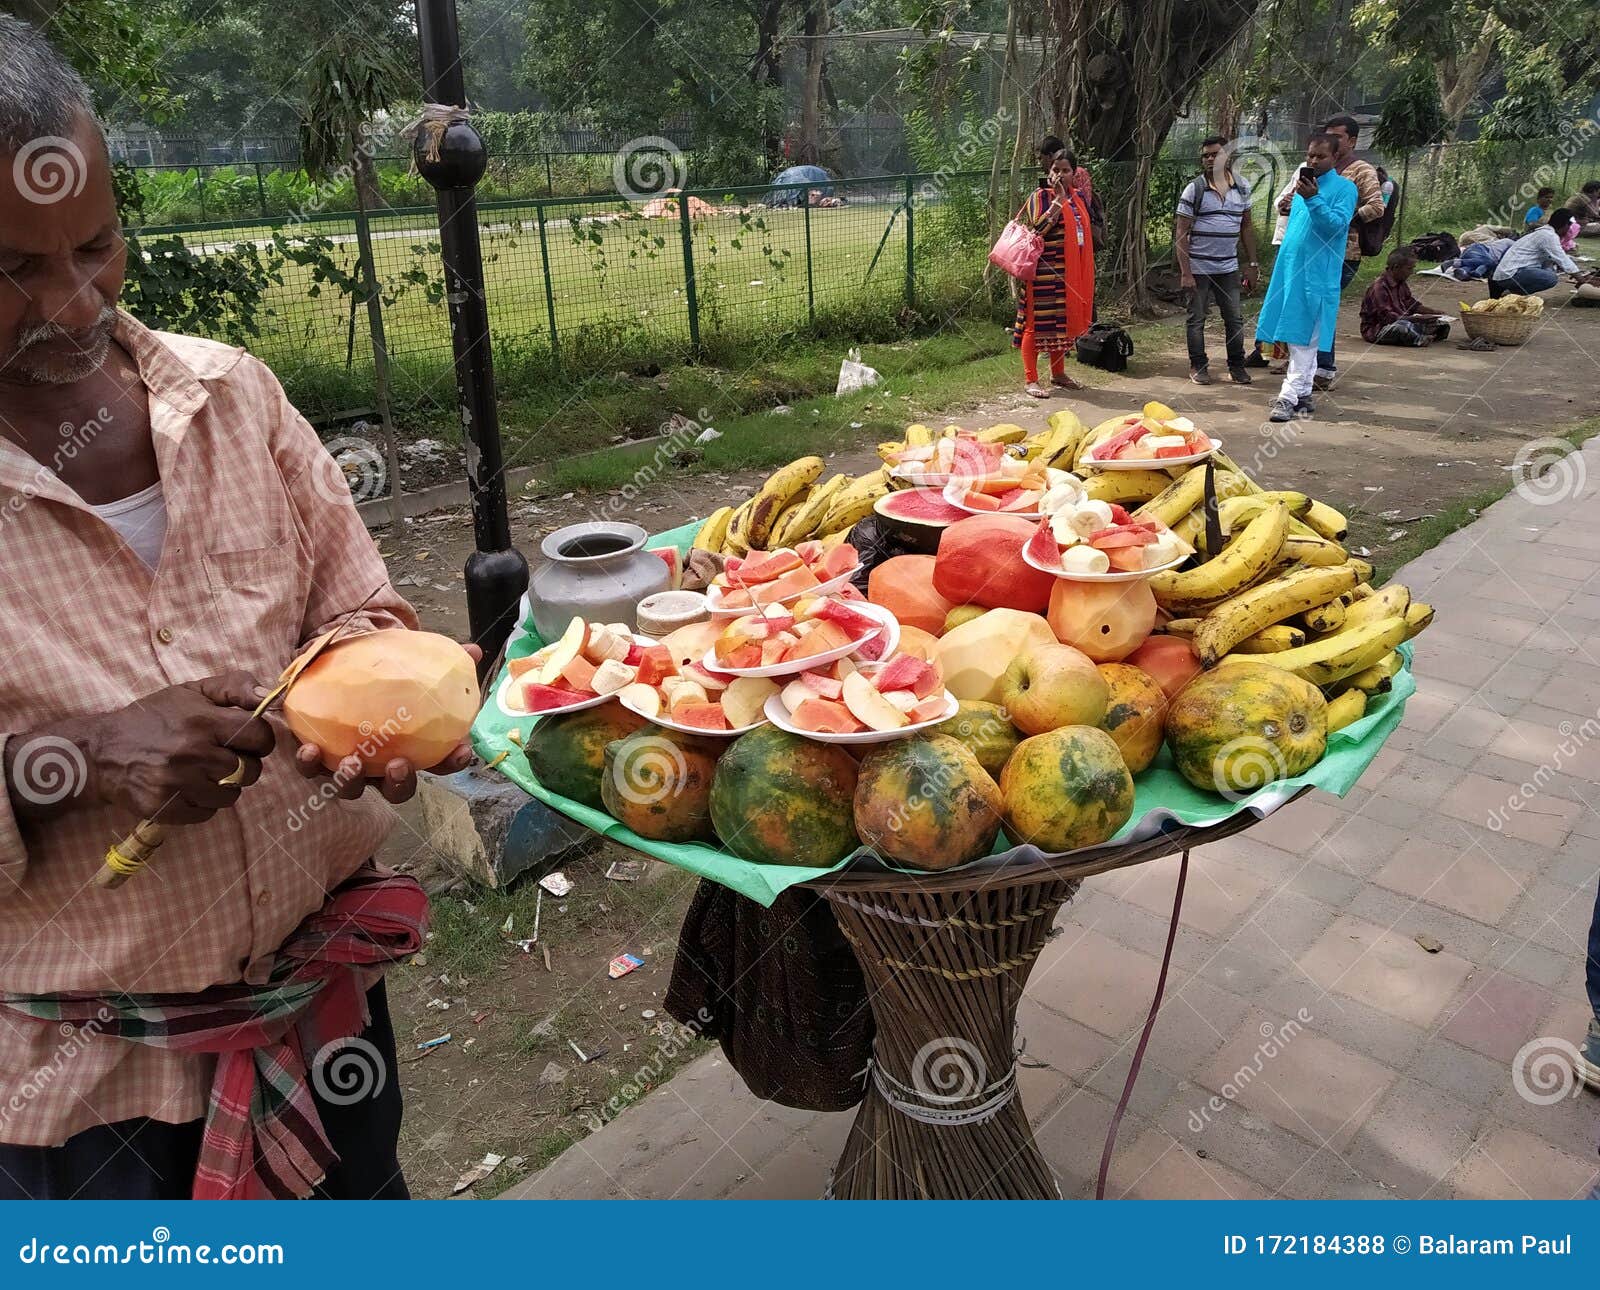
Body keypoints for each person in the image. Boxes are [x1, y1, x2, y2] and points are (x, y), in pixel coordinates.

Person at [0, 16, 477, 1200]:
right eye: (11, 269)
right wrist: (77, 758)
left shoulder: (233, 399)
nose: (72, 303)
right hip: (90, 1103)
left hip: (325, 1027)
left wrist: (371, 707)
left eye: (97, 246)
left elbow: (357, 605)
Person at [1255, 134, 1357, 423]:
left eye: (1320, 157)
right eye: (1310, 155)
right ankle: (1304, 393)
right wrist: (1292, 202)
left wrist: (1313, 199)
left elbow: (1336, 226)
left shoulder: (1344, 189)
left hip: (1317, 276)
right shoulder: (1302, 185)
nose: (1312, 161)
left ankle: (1288, 396)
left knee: (1305, 337)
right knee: (1295, 332)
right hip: (1290, 269)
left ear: (1335, 158)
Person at [1175, 135, 1260, 385]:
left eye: (1216, 154)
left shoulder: (1242, 187)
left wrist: (1252, 264)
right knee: (1197, 318)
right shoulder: (1195, 189)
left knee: (1234, 318)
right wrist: (1186, 272)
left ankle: (1237, 366)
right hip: (1199, 268)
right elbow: (1181, 233)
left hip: (1228, 267)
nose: (1211, 159)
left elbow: (1246, 228)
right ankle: (1198, 366)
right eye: (1206, 155)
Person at [1012, 143, 1094, 397]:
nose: (1059, 174)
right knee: (1035, 324)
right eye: (1056, 169)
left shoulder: (1078, 197)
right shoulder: (1041, 196)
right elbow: (1038, 228)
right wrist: (1057, 201)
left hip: (1069, 273)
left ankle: (1058, 374)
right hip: (1043, 272)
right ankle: (1030, 379)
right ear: (1049, 170)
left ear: (1074, 172)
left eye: (1065, 170)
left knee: (1061, 325)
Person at [1314, 114, 1386, 389]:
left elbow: (1377, 206)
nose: (1330, 140)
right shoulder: (1318, 168)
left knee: (1323, 307)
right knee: (1313, 307)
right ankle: (1307, 361)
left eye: (1337, 137)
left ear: (1352, 140)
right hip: (1315, 251)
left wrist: (1346, 217)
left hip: (1344, 252)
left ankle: (1324, 367)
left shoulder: (1360, 170)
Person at [1359, 248, 1450, 346]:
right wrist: (1417, 319)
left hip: (1404, 320)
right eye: (1409, 268)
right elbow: (1387, 317)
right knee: (1402, 327)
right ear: (1396, 267)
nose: (1411, 272)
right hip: (1379, 328)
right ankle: (1418, 338)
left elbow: (1411, 304)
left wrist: (1433, 313)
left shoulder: (1401, 283)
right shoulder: (1379, 287)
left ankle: (1416, 335)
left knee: (1442, 325)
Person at [1489, 209, 1583, 297]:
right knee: (1551, 278)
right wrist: (1581, 279)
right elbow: (1563, 259)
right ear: (1566, 225)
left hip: (1507, 273)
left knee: (1549, 264)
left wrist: (1574, 273)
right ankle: (1511, 294)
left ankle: (1506, 288)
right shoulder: (1549, 236)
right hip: (1510, 274)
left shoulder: (1542, 232)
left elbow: (1557, 259)